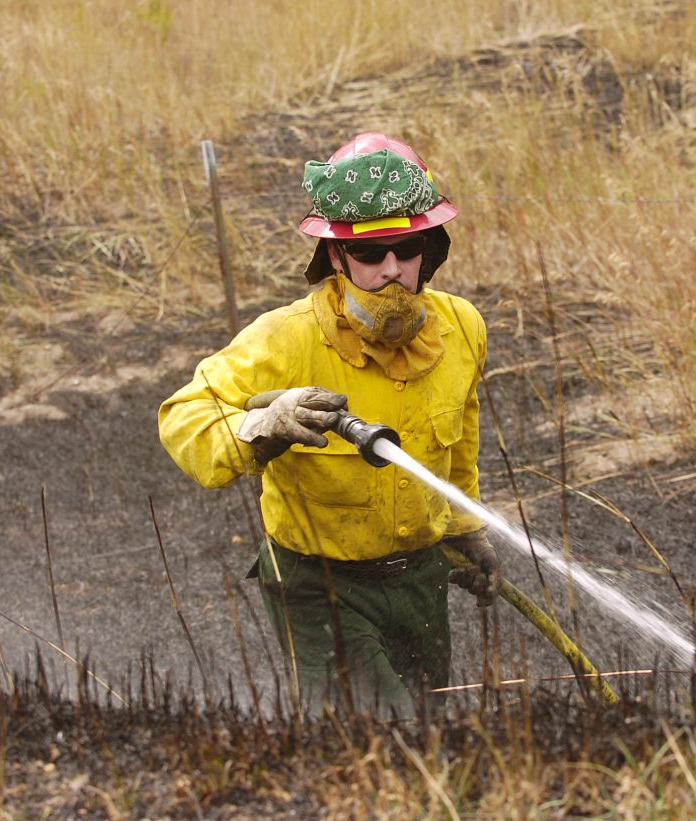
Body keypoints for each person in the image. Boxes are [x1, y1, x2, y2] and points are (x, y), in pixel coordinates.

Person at [158, 132, 499, 718]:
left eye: (408, 246)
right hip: (321, 585)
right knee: (379, 730)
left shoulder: (463, 328)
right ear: (336, 258)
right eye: (370, 255)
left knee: (429, 722)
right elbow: (182, 417)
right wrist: (263, 426)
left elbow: (459, 445)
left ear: (431, 247)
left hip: (421, 576)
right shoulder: (286, 338)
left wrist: (464, 528)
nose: (392, 269)